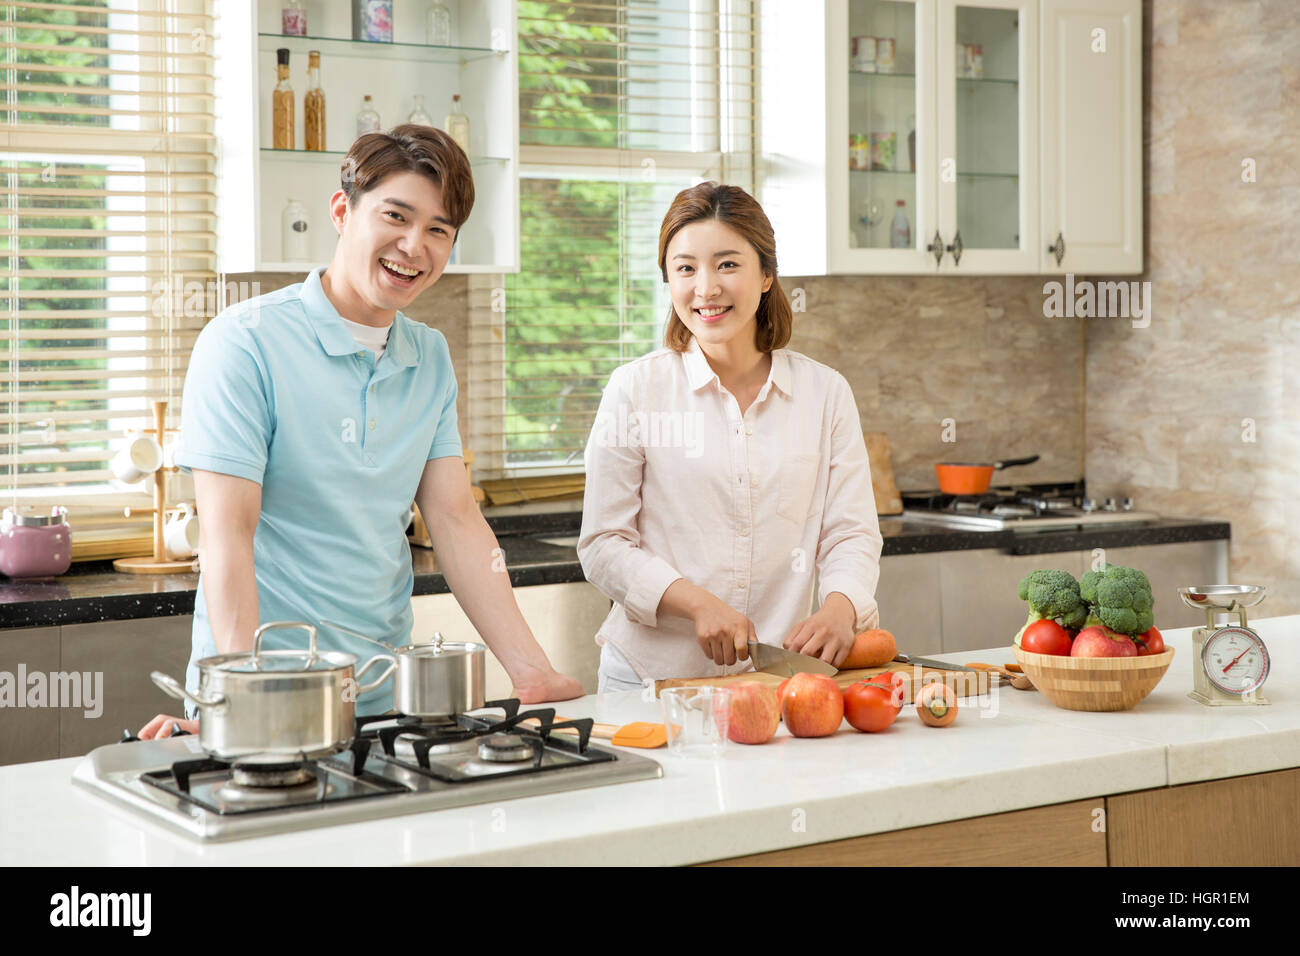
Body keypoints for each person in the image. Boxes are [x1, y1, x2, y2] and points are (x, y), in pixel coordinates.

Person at [139, 126, 581, 738]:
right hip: (268, 696)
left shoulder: (429, 356)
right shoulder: (244, 342)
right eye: (395, 216)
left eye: (438, 230)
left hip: (382, 696)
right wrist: (240, 695)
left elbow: (454, 520)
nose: (413, 245)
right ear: (343, 211)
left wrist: (533, 672)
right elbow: (227, 536)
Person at [577, 182, 883, 692]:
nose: (705, 288)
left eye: (727, 264)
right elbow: (604, 544)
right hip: (650, 682)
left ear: (766, 275)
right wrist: (696, 603)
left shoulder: (824, 393)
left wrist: (840, 607)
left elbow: (850, 533)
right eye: (685, 268)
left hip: (778, 682)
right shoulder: (636, 389)